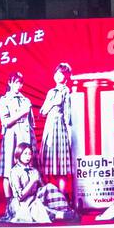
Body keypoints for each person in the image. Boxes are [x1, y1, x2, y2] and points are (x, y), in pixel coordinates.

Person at [0, 72, 36, 214]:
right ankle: (9, 206)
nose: (17, 85)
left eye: (20, 83)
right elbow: (5, 122)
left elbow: (31, 124)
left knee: (28, 170)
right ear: (9, 83)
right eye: (15, 82)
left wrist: (32, 142)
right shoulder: (4, 100)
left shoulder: (26, 100)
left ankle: (27, 205)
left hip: (25, 137)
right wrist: (21, 112)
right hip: (11, 138)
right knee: (8, 172)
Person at [39, 62, 74, 199]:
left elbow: (68, 115)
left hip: (60, 129)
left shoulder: (66, 91)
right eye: (57, 73)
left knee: (61, 168)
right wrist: (53, 102)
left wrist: (69, 136)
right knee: (47, 165)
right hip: (49, 129)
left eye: (63, 74)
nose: (59, 76)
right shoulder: (51, 92)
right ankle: (50, 198)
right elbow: (42, 111)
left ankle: (62, 199)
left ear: (67, 77)